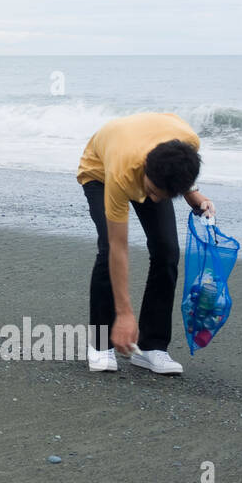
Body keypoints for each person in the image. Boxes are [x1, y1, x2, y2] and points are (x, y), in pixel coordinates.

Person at [76, 112, 216, 374]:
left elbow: (180, 175)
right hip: (101, 171)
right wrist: (124, 314)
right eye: (150, 191)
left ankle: (152, 347)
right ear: (146, 172)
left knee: (167, 252)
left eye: (159, 195)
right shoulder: (122, 171)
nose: (151, 199)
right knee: (108, 248)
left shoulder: (189, 145)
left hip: (147, 151)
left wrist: (192, 194)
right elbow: (120, 247)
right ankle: (99, 343)